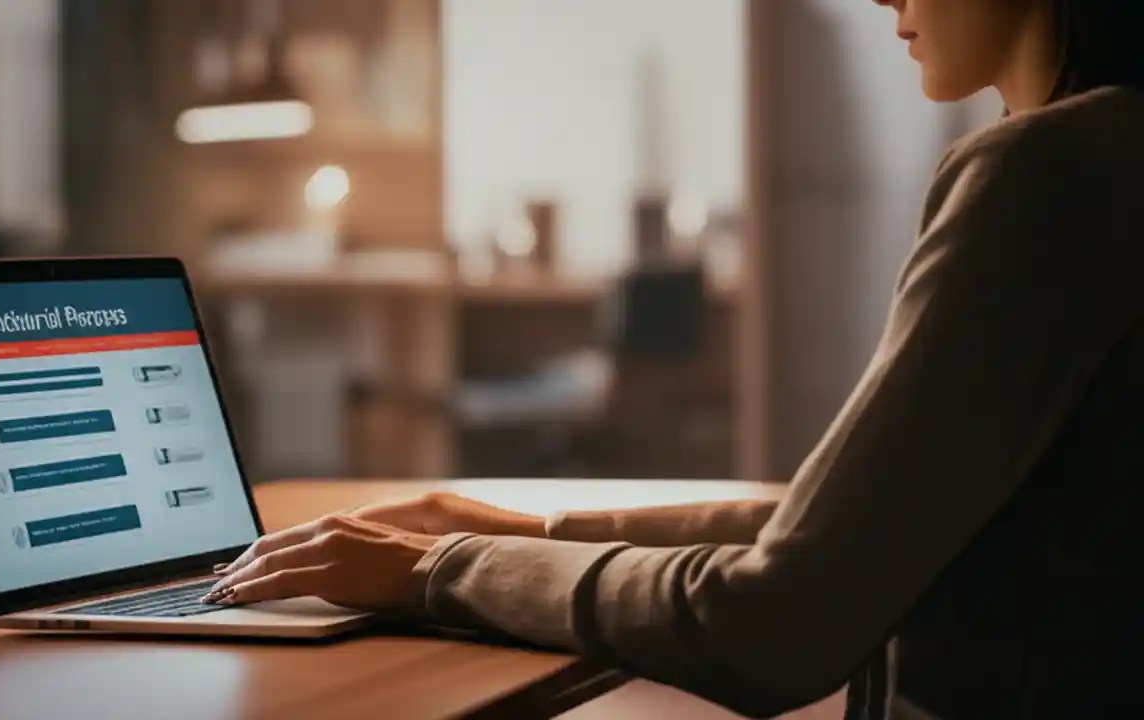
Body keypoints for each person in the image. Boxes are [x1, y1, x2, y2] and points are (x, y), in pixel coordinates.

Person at [202, 1, 1144, 717]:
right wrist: (511, 529)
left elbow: (776, 620)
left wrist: (437, 568)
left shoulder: (1047, 177)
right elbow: (846, 529)